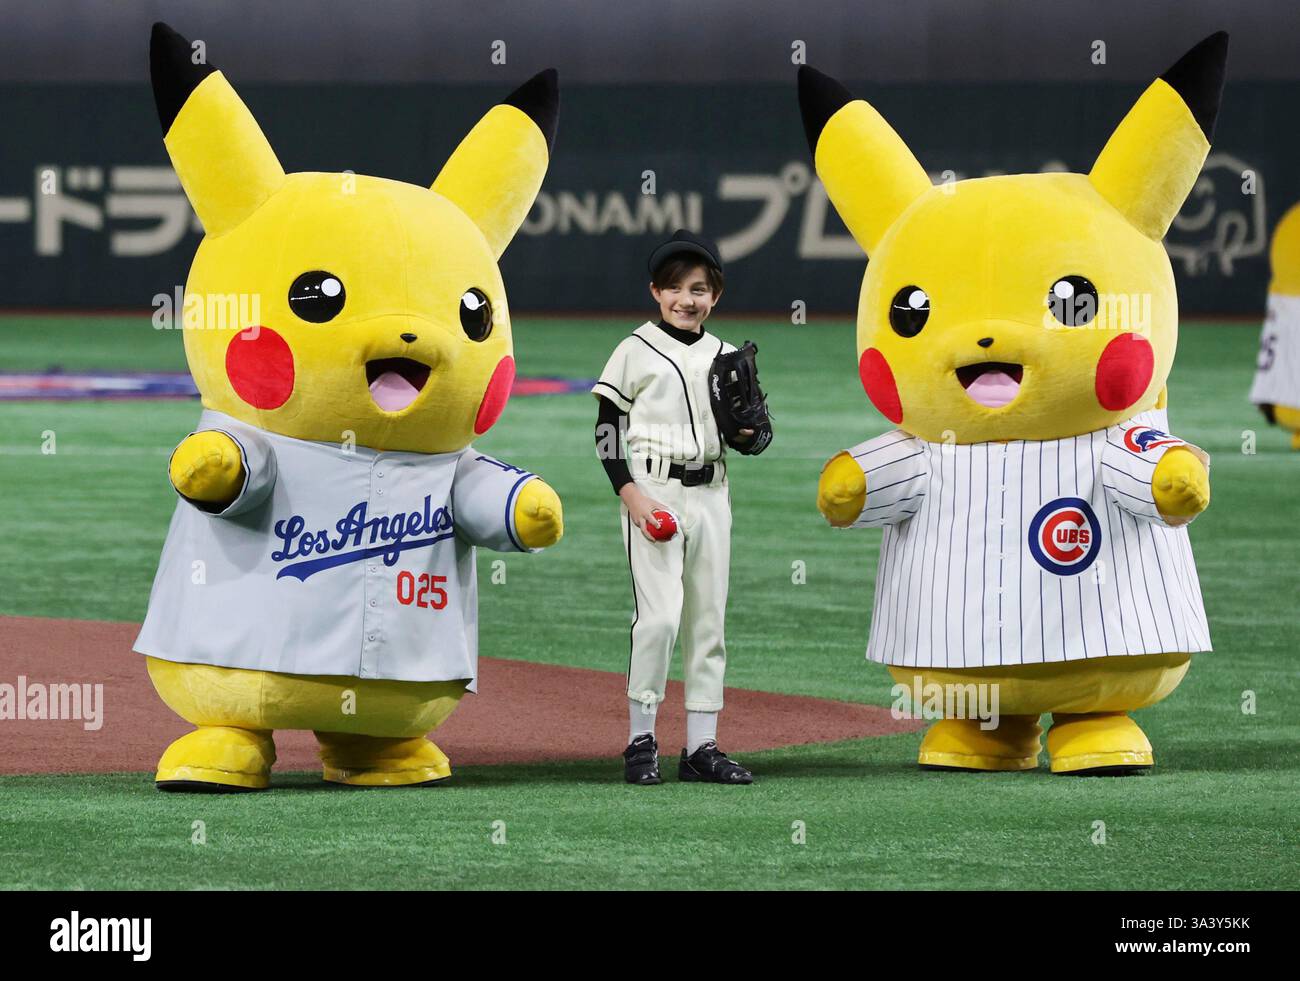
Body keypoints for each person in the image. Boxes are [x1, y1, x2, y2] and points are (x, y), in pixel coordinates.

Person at [592, 230, 755, 785]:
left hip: (713, 495)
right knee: (659, 618)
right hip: (654, 494)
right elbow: (607, 429)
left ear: (716, 297)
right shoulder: (633, 349)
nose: (688, 299)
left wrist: (752, 432)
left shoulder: (726, 355)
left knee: (708, 620)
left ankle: (701, 748)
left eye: (701, 289)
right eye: (676, 288)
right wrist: (631, 495)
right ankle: (641, 740)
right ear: (656, 293)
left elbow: (745, 435)